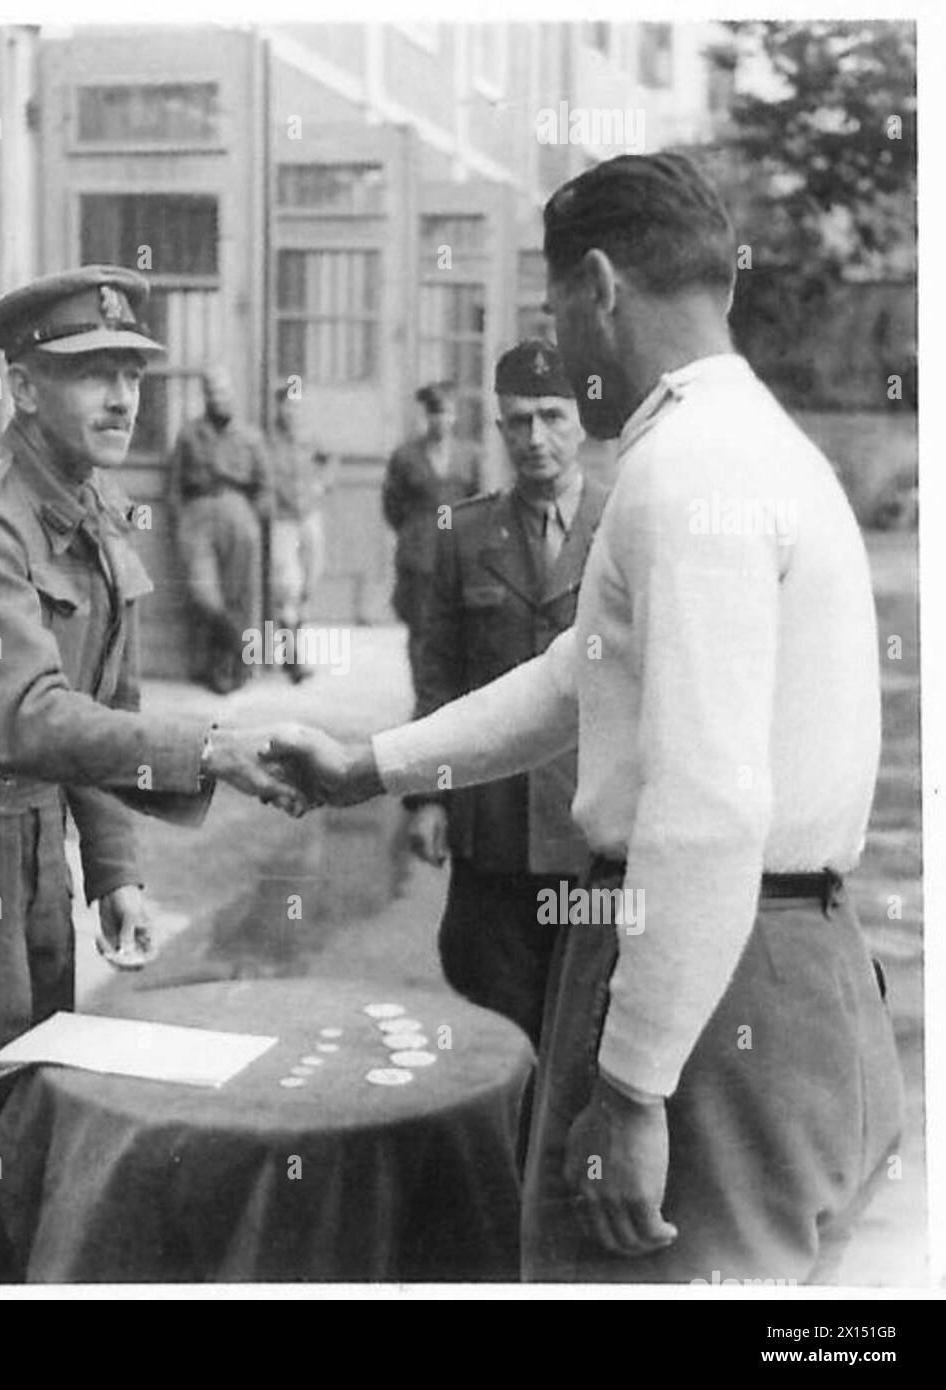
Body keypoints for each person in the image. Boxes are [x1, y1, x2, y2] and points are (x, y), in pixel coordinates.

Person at [267, 152, 903, 1285]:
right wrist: (368, 765)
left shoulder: (686, 471)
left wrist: (633, 1086)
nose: (556, 340)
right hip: (775, 960)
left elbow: (707, 801)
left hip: (708, 974)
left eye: (554, 305)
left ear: (599, 285)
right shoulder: (750, 448)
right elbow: (579, 674)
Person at [0, 265, 303, 1284]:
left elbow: (102, 699)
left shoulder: (97, 504)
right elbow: (27, 716)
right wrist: (214, 749)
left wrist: (115, 868)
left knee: (28, 1138)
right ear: (20, 387)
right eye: (89, 373)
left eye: (131, 373)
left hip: (31, 853)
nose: (119, 397)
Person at [407, 341, 606, 1046]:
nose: (535, 438)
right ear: (498, 430)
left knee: (589, 1020)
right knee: (492, 1007)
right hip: (493, 822)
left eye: (553, 417)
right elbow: (438, 675)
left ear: (583, 420)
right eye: (518, 422)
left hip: (592, 821)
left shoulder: (624, 530)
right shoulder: (465, 536)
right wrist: (427, 797)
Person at [165, 365, 273, 693]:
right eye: (212, 393)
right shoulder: (189, 434)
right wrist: (181, 520)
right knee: (204, 594)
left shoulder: (251, 437)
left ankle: (229, 670)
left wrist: (252, 518)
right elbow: (173, 488)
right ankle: (243, 647)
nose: (218, 399)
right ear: (205, 397)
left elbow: (265, 487)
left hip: (239, 512)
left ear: (233, 394)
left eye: (223, 392)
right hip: (197, 515)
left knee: (238, 595)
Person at [381, 382, 483, 683]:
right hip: (419, 554)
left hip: (457, 552)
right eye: (436, 413)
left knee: (456, 627)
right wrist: (415, 532)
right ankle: (422, 696)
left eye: (447, 413)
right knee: (421, 627)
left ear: (455, 417)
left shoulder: (468, 455)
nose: (442, 420)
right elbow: (392, 505)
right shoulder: (406, 456)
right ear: (427, 416)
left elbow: (477, 501)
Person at [267, 388, 335, 682]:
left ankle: (294, 643)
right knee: (287, 585)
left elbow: (330, 461)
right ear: (278, 409)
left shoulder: (310, 438)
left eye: (296, 407)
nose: (291, 412)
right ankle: (293, 656)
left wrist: (322, 484)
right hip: (283, 519)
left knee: (311, 579)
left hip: (309, 516)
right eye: (286, 407)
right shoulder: (268, 441)